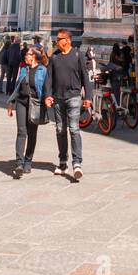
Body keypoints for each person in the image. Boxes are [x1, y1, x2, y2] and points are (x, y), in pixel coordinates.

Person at [44, 29, 90, 182]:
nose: (57, 41)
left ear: (68, 40)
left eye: (60, 39)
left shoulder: (78, 55)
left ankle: (77, 164)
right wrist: (48, 95)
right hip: (58, 98)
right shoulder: (55, 56)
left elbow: (85, 77)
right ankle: (63, 162)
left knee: (74, 129)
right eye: (57, 39)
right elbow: (49, 78)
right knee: (60, 129)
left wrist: (88, 97)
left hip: (74, 97)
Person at [6, 46, 48, 179]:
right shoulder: (24, 69)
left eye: (28, 54)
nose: (25, 56)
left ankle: (28, 161)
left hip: (35, 104)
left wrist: (47, 100)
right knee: (21, 132)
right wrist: (11, 102)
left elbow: (46, 88)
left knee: (32, 133)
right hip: (21, 102)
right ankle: (19, 163)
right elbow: (17, 87)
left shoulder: (42, 70)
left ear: (34, 56)